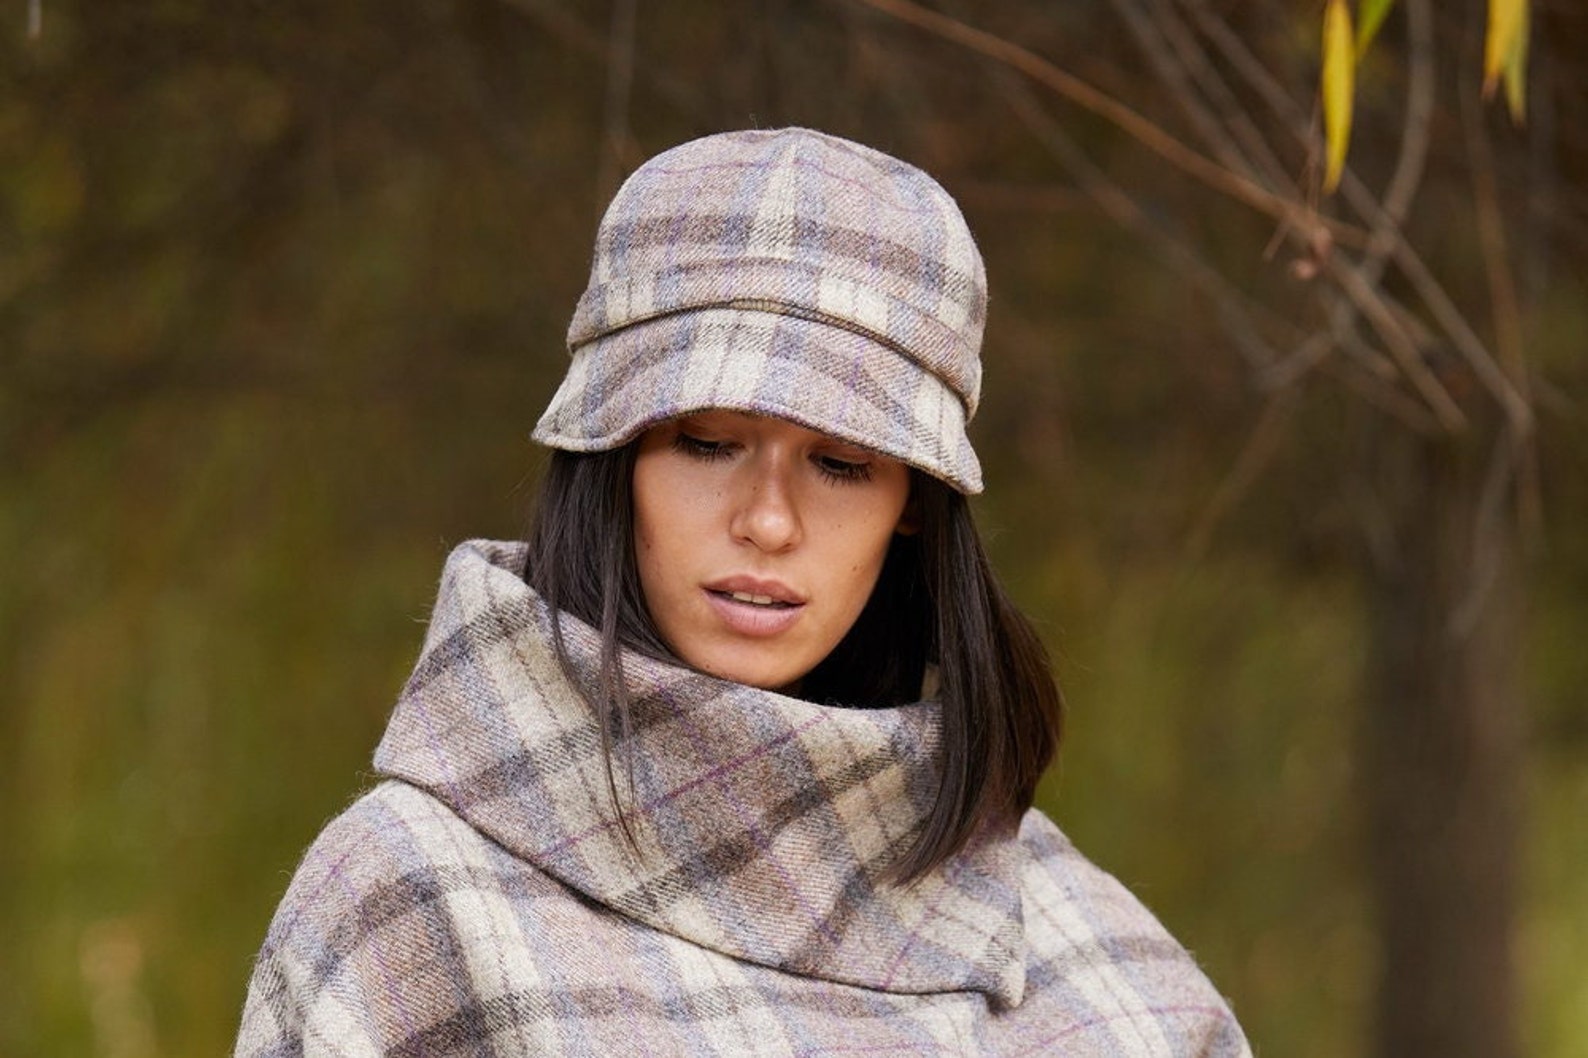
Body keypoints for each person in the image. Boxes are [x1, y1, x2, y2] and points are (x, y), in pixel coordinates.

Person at [235, 127, 1251, 1056]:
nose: (768, 519)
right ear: (612, 456)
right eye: (708, 442)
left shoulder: (1107, 980)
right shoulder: (415, 903)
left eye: (842, 462)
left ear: (913, 503)